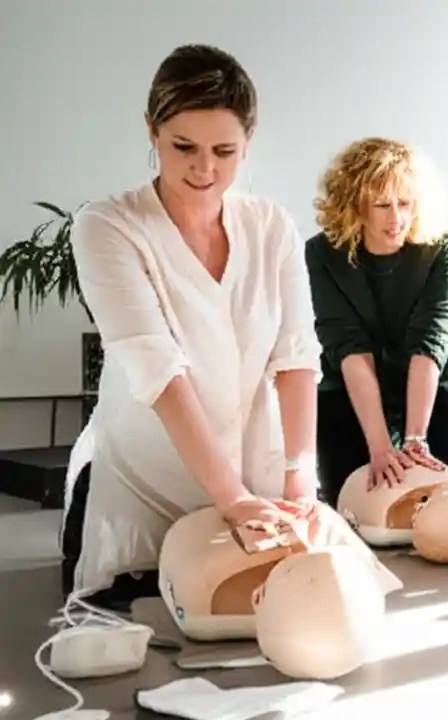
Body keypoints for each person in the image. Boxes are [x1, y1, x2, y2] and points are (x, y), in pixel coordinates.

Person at [61, 44, 321, 604]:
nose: (205, 169)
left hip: (261, 474)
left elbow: (297, 356)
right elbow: (158, 372)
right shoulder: (109, 226)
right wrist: (232, 500)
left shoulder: (270, 224)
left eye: (225, 151)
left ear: (248, 142)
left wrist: (299, 475)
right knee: (161, 628)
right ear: (151, 131)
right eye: (184, 147)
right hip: (150, 484)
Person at [305, 137, 448, 501]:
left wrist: (415, 440)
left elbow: (429, 346)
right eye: (381, 205)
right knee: (349, 498)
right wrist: (380, 447)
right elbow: (349, 349)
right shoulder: (322, 254)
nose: (396, 219)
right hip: (348, 387)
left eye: (404, 203)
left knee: (443, 501)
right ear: (355, 206)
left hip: (433, 384)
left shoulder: (441, 250)